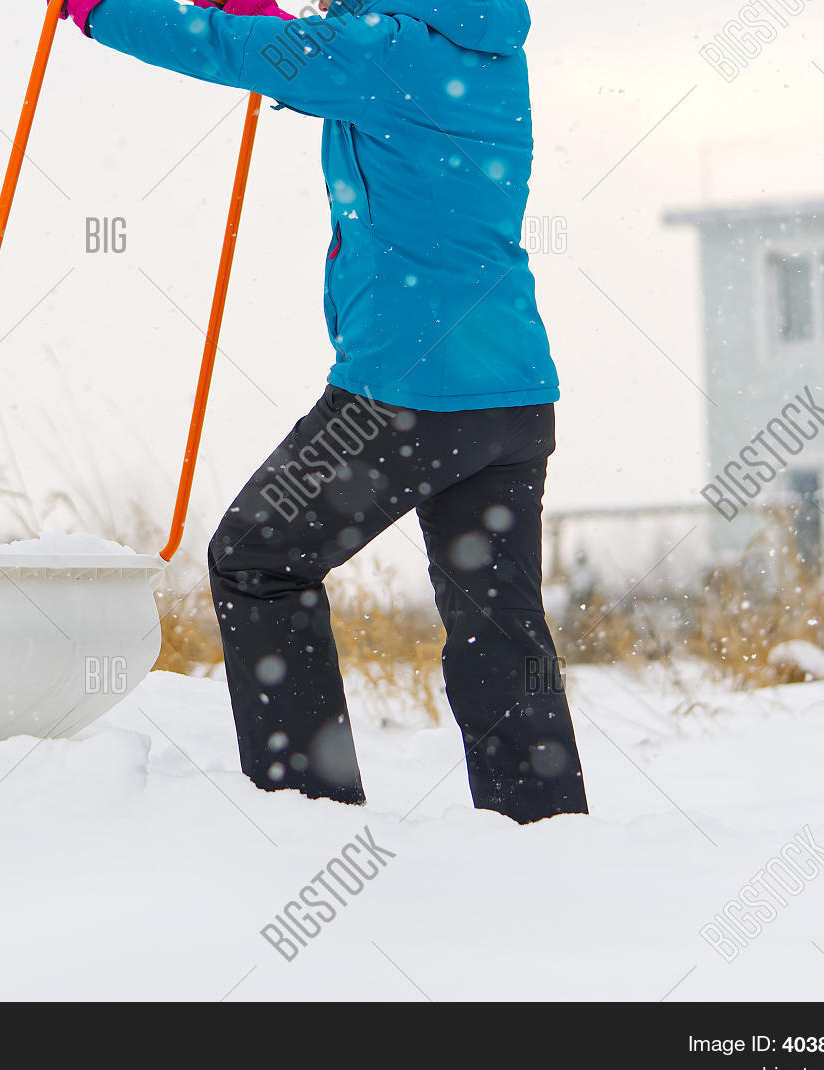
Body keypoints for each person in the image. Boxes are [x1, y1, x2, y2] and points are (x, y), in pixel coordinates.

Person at [58, 0, 589, 823]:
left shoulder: (388, 50)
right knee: (497, 624)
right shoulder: (481, 47)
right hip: (511, 396)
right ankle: (546, 831)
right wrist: (273, 22)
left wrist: (101, 12)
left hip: (404, 395)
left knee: (256, 559)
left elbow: (235, 48)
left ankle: (307, 810)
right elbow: (308, 55)